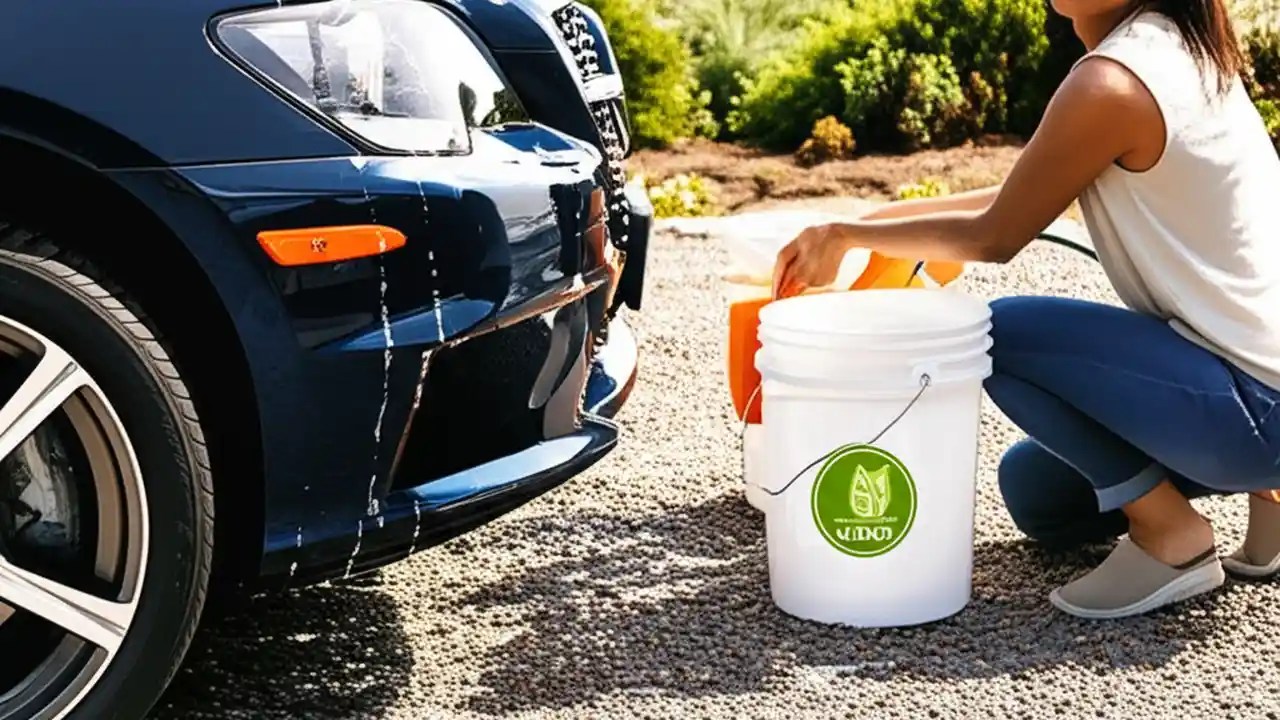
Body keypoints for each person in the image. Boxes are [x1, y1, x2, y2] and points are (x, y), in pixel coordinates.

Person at [772, 0, 1280, 619]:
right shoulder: (1183, 46)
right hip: (1252, 395)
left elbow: (996, 235)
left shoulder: (1114, 81)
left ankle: (1173, 539)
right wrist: (860, 228)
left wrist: (849, 237)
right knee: (1036, 493)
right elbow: (1024, 193)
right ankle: (1269, 499)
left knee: (997, 333)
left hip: (1255, 407)